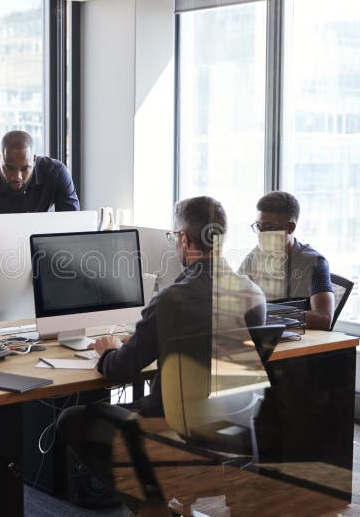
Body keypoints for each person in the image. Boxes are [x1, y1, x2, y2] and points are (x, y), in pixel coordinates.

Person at [56, 196, 266, 506]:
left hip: (176, 443)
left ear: (184, 238)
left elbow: (120, 371)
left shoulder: (173, 299)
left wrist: (108, 350)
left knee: (72, 419)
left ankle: (150, 505)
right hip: (238, 440)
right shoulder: (253, 293)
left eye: (173, 236)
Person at [238, 191, 334, 330]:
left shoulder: (314, 262)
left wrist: (268, 316)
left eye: (269, 227)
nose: (261, 234)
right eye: (258, 226)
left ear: (290, 228)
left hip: (300, 340)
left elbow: (324, 319)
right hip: (265, 336)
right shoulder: (254, 256)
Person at [0, 130, 80, 215]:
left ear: (34, 160)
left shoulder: (56, 173)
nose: (17, 177)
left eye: (24, 169)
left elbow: (72, 223)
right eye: (9, 168)